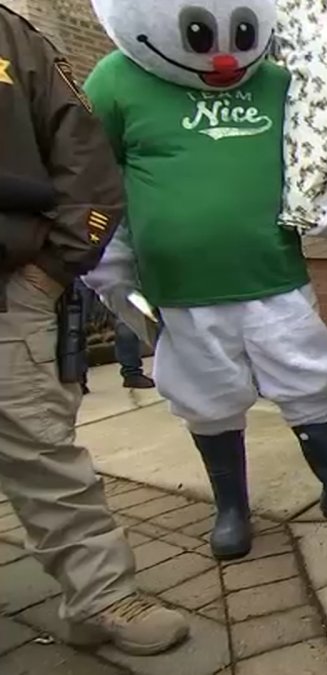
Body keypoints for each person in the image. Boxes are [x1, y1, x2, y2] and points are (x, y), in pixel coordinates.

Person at [81, 0, 327, 562]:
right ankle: (231, 506)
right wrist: (111, 264)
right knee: (207, 396)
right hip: (181, 287)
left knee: (307, 380)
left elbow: (323, 154)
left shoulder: (277, 80)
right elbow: (94, 174)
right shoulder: (115, 81)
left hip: (274, 274)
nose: (223, 56)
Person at [0, 4, 188, 654]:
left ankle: (101, 597)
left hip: (10, 287)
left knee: (40, 448)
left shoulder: (12, 37)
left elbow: (87, 164)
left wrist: (49, 270)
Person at [77, 281, 154, 394]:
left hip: (111, 273)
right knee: (77, 325)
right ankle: (78, 378)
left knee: (127, 321)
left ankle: (132, 373)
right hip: (83, 273)